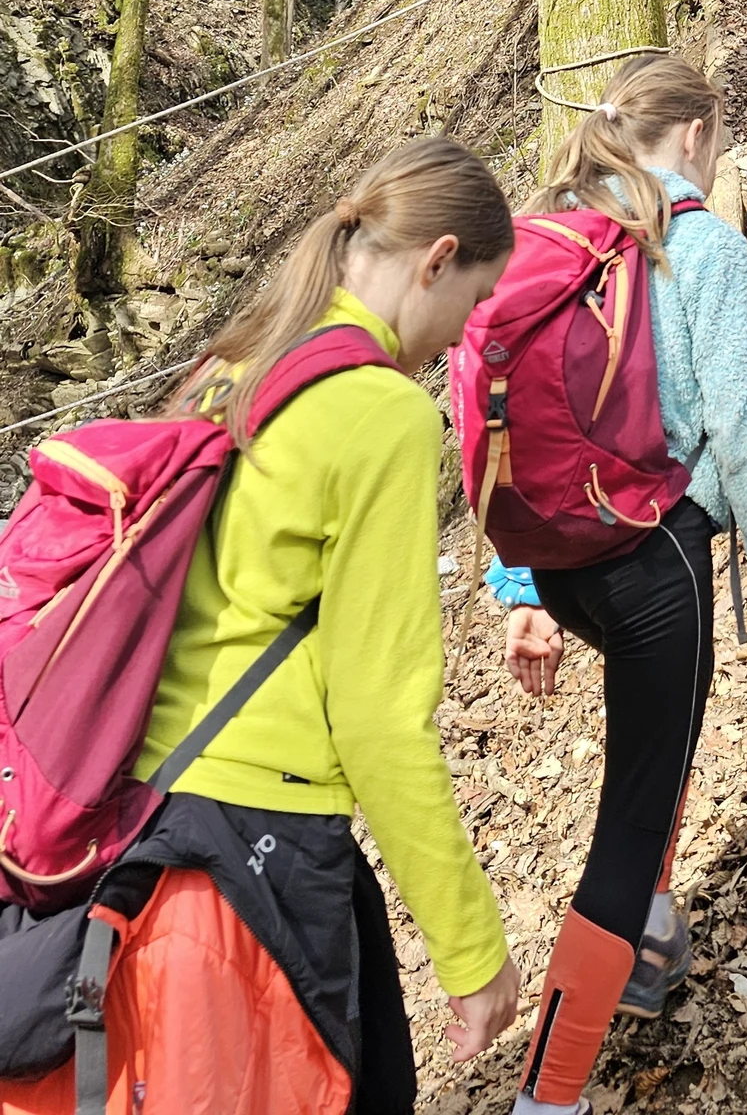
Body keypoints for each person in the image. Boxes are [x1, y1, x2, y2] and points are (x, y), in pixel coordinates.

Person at [4, 141, 520, 1112]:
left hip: (135, 838)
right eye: (475, 298)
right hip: (252, 869)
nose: (466, 331)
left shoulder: (237, 362)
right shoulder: (382, 414)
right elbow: (378, 718)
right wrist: (471, 949)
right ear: (438, 259)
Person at [494, 58, 747, 1115]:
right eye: (717, 138)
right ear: (693, 135)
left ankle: (645, 937)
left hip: (565, 565)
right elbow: (744, 423)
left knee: (656, 739)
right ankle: (550, 1093)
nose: (718, 156)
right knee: (631, 821)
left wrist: (521, 585)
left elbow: (507, 425)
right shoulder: (698, 243)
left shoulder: (549, 236)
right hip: (656, 557)